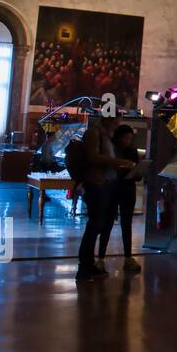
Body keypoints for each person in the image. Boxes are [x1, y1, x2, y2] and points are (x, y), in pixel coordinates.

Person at [75, 116, 134, 281]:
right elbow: (93, 157)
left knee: (97, 225)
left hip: (103, 184)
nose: (117, 125)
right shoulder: (94, 134)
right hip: (96, 184)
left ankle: (89, 264)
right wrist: (117, 162)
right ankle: (84, 267)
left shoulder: (104, 135)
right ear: (109, 119)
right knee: (94, 226)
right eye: (116, 121)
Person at [97, 123, 142, 273]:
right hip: (116, 188)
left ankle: (125, 257)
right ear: (119, 137)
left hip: (124, 189)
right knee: (109, 223)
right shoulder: (112, 149)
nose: (128, 140)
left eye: (130, 138)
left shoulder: (124, 150)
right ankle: (102, 259)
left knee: (125, 223)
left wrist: (136, 173)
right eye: (126, 137)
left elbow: (136, 173)